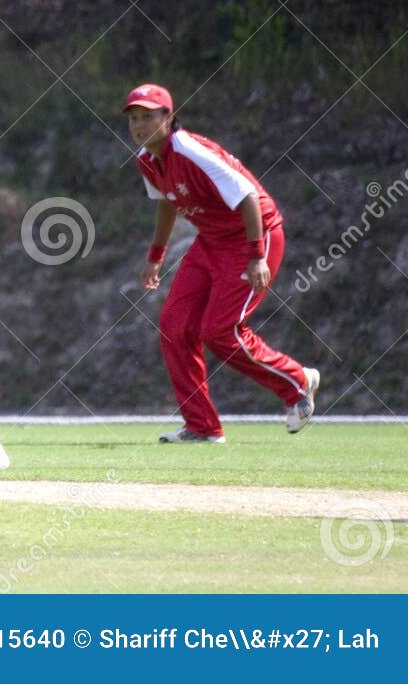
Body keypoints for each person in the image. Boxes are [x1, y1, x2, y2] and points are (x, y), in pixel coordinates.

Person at [126, 83, 319, 443]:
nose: (139, 124)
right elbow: (167, 203)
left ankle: (297, 382)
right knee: (174, 326)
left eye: (148, 116)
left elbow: (247, 196)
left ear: (168, 117)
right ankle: (202, 427)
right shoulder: (146, 160)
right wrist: (156, 256)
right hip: (211, 242)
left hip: (253, 236)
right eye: (134, 118)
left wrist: (257, 256)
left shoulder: (190, 151)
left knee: (220, 331)